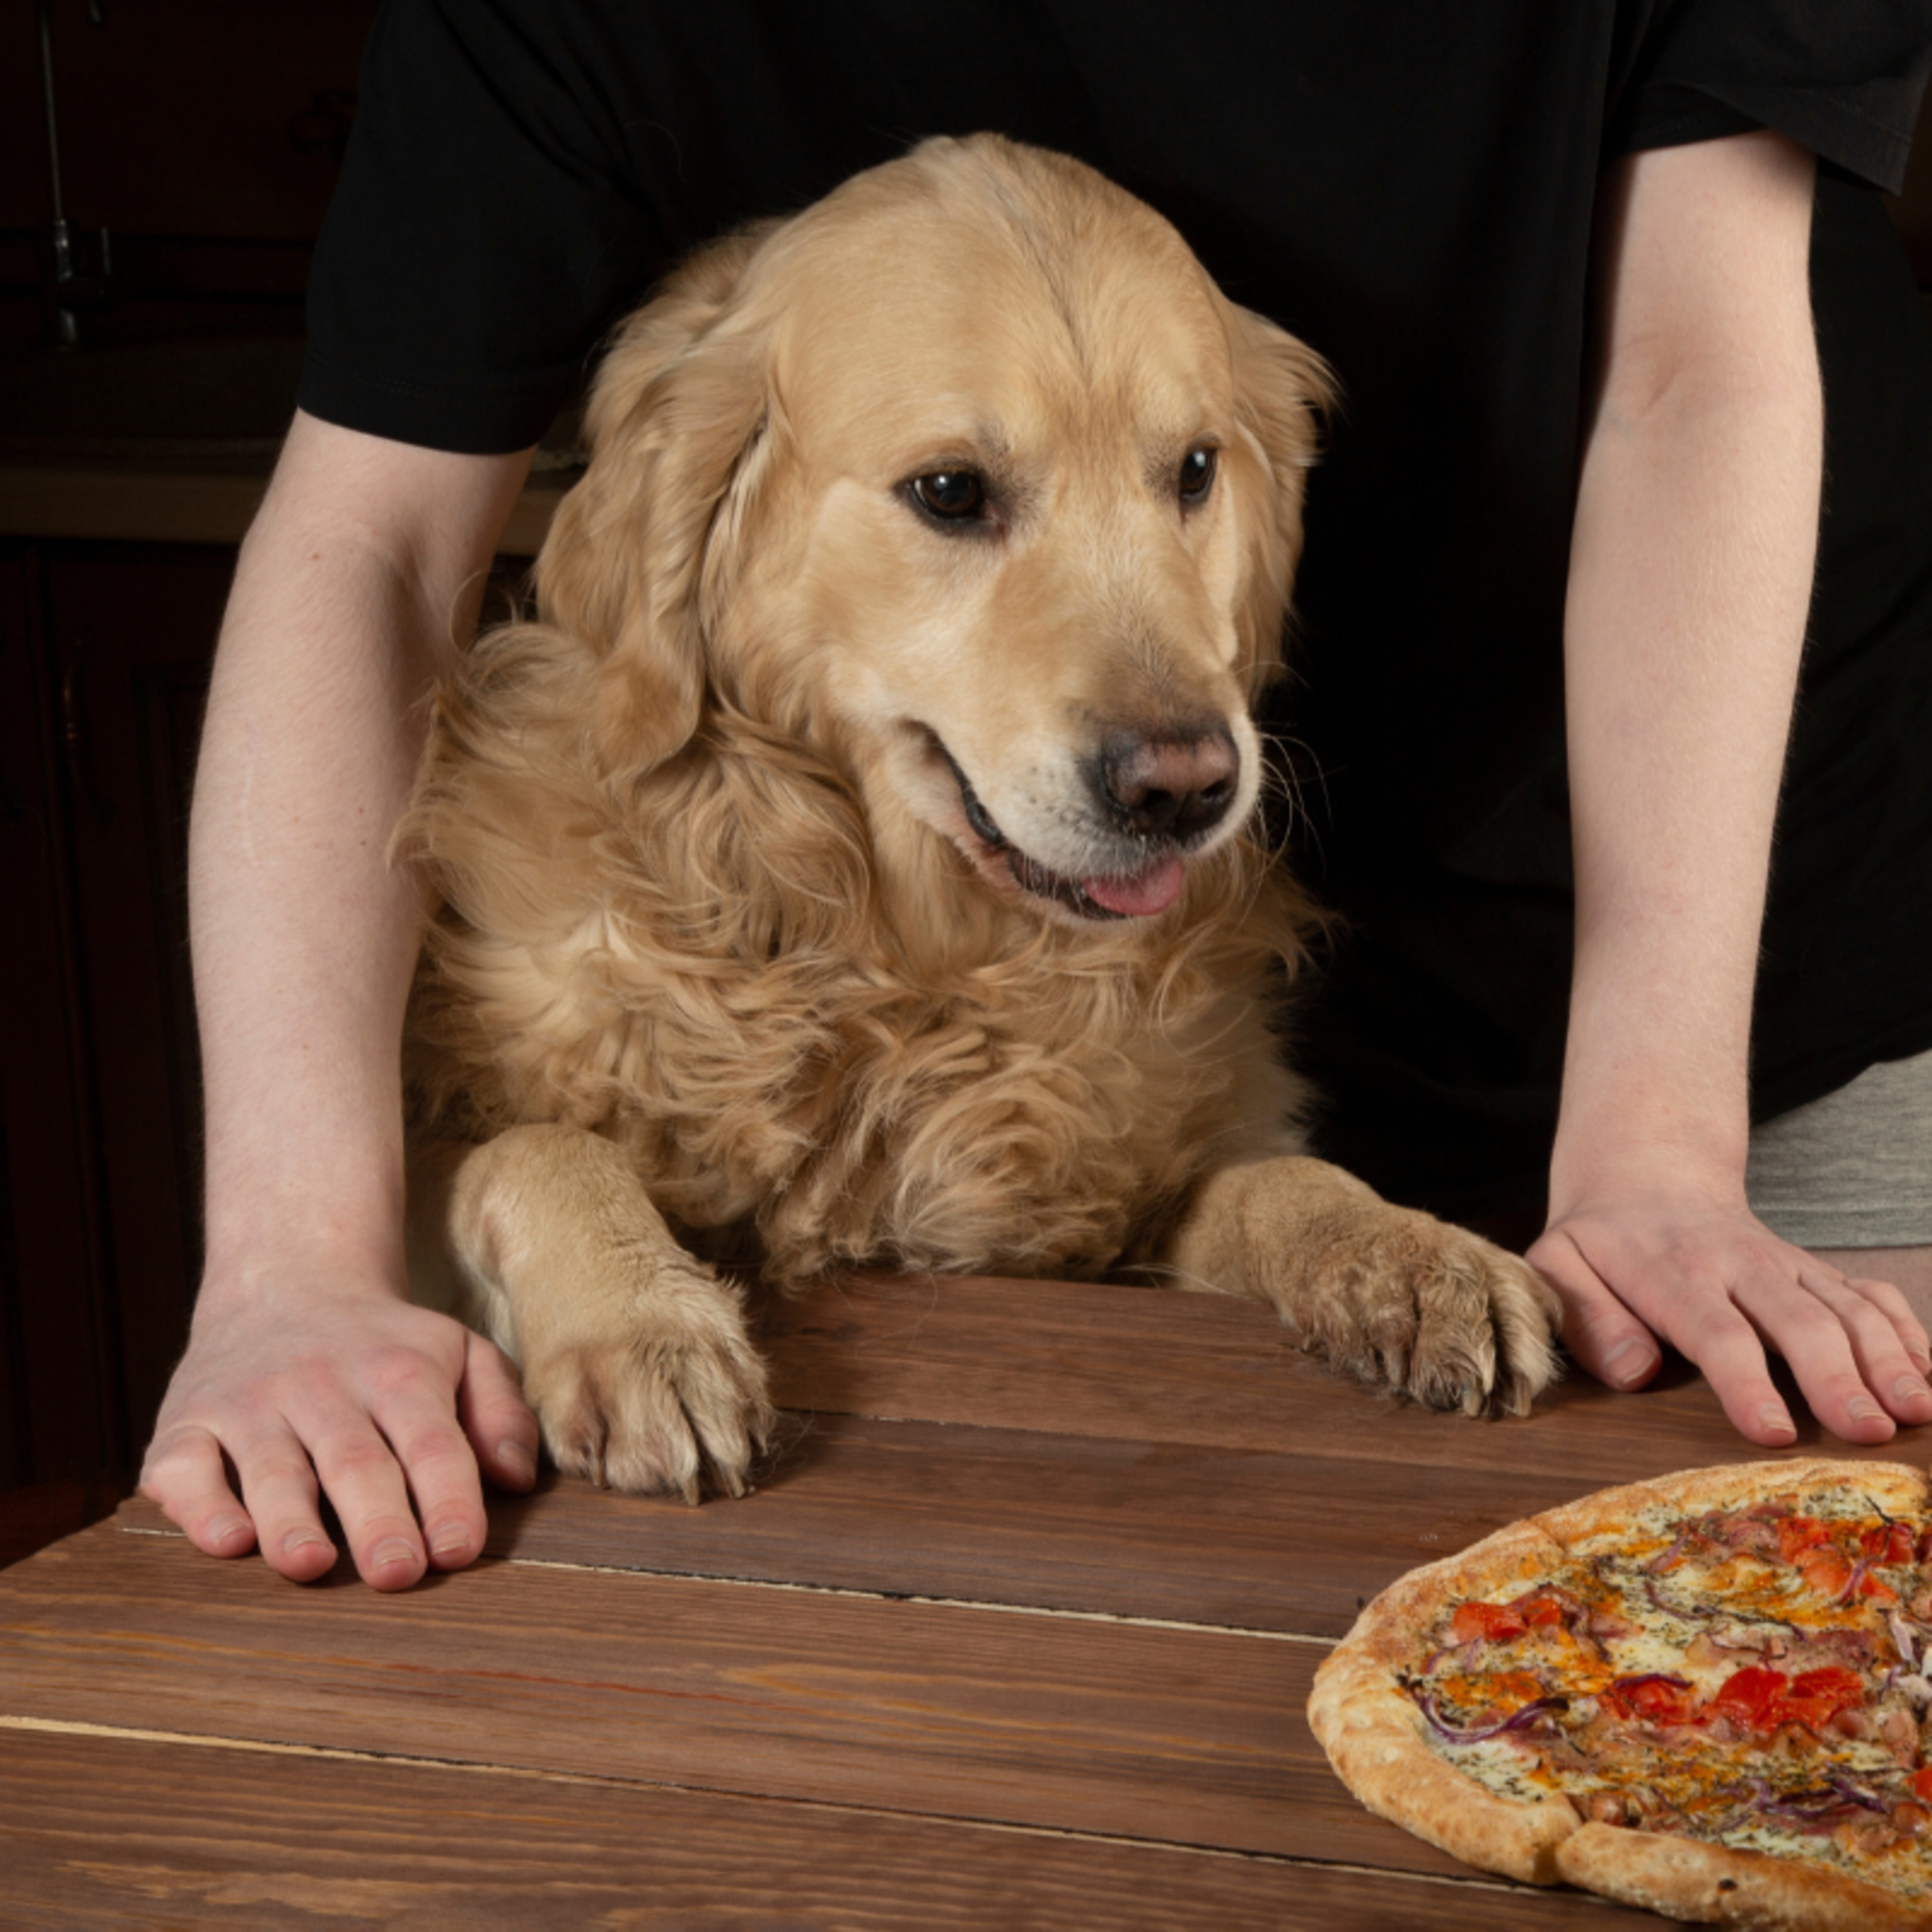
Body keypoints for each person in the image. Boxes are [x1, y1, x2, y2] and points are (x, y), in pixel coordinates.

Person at [141, 2, 1932, 1589]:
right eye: (953, 494)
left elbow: (1696, 378)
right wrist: (297, 1264)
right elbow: (380, 536)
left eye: (1192, 476)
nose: (1170, 725)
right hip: (1158, 1004)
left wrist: (1658, 1147)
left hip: (1717, 930)